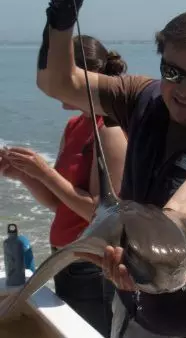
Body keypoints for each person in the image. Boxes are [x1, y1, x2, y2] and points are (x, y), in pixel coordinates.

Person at [36, 1, 186, 338]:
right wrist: (61, 17)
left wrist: (145, 257)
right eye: (172, 72)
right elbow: (58, 83)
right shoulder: (144, 98)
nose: (183, 90)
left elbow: (182, 211)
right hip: (129, 314)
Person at [0, 33, 128, 337]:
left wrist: (44, 172)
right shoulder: (75, 126)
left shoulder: (109, 130)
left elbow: (103, 214)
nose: (50, 89)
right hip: (66, 262)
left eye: (56, 79)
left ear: (79, 78)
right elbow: (60, 203)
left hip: (93, 270)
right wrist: (21, 173)